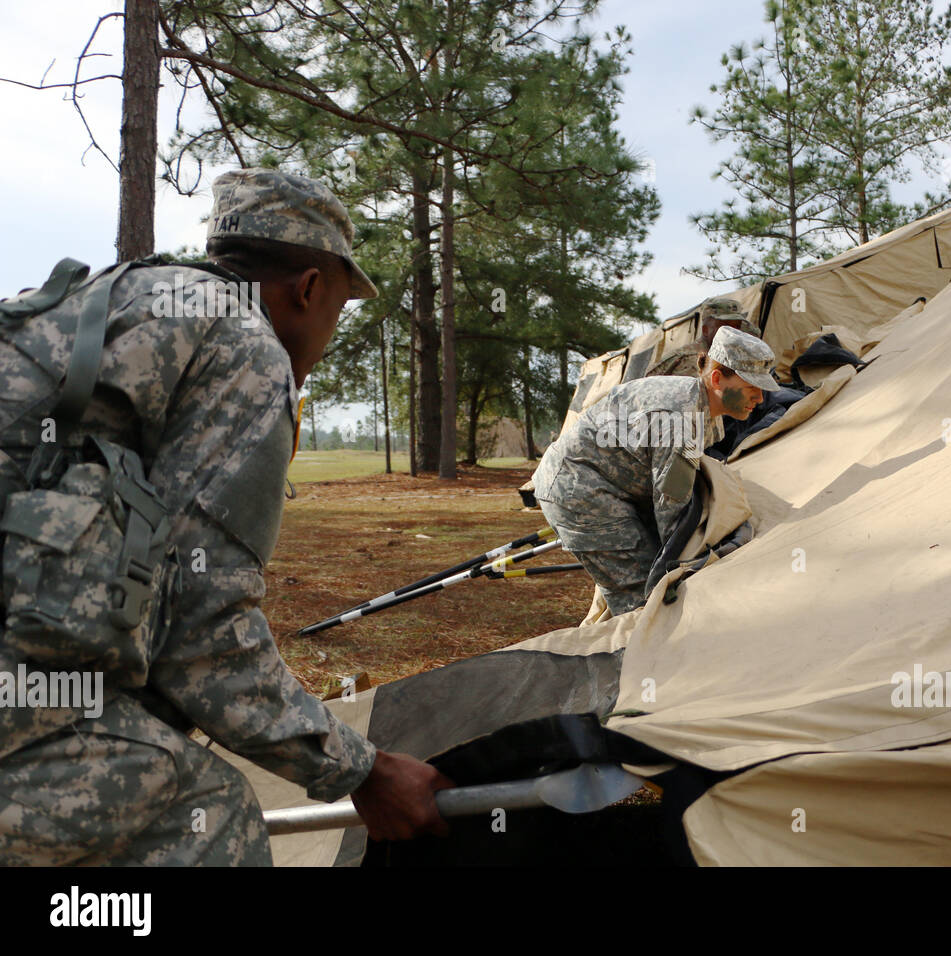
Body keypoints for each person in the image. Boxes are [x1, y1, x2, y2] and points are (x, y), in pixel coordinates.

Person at [0, 168, 452, 866]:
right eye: (337, 306)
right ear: (308, 288)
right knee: (207, 817)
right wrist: (360, 770)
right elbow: (205, 636)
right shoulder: (244, 344)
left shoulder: (123, 299)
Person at [533, 327, 778, 616]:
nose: (761, 399)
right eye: (752, 388)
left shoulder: (698, 406)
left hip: (604, 486)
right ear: (717, 380)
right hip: (579, 492)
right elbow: (672, 512)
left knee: (651, 584)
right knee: (644, 599)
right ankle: (633, 657)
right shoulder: (679, 419)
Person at [644, 296, 762, 379]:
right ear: (705, 330)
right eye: (725, 327)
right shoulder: (690, 359)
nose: (732, 333)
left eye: (736, 327)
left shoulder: (730, 359)